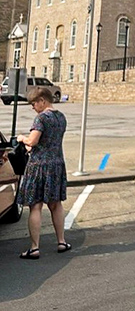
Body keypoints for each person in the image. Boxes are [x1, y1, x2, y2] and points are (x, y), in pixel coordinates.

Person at [16, 86, 70, 260]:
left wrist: (22, 138)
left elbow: (33, 141)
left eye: (33, 103)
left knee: (35, 205)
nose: (33, 107)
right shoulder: (61, 117)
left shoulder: (41, 118)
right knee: (56, 204)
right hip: (57, 164)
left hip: (39, 165)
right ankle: (61, 241)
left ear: (42, 101)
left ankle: (34, 247)